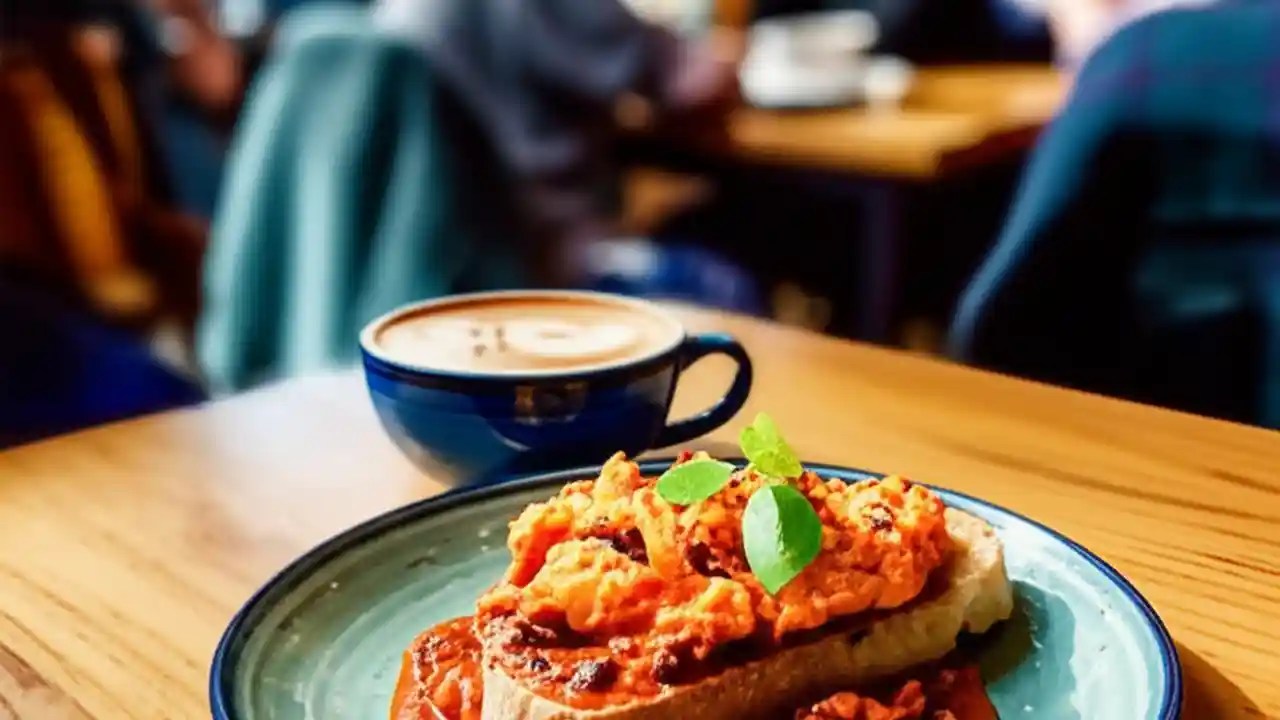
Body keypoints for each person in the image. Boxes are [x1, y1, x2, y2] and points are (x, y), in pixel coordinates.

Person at [374, 0, 745, 287]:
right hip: (546, 265)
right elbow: (694, 83)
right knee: (727, 280)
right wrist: (733, 52)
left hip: (430, 270)